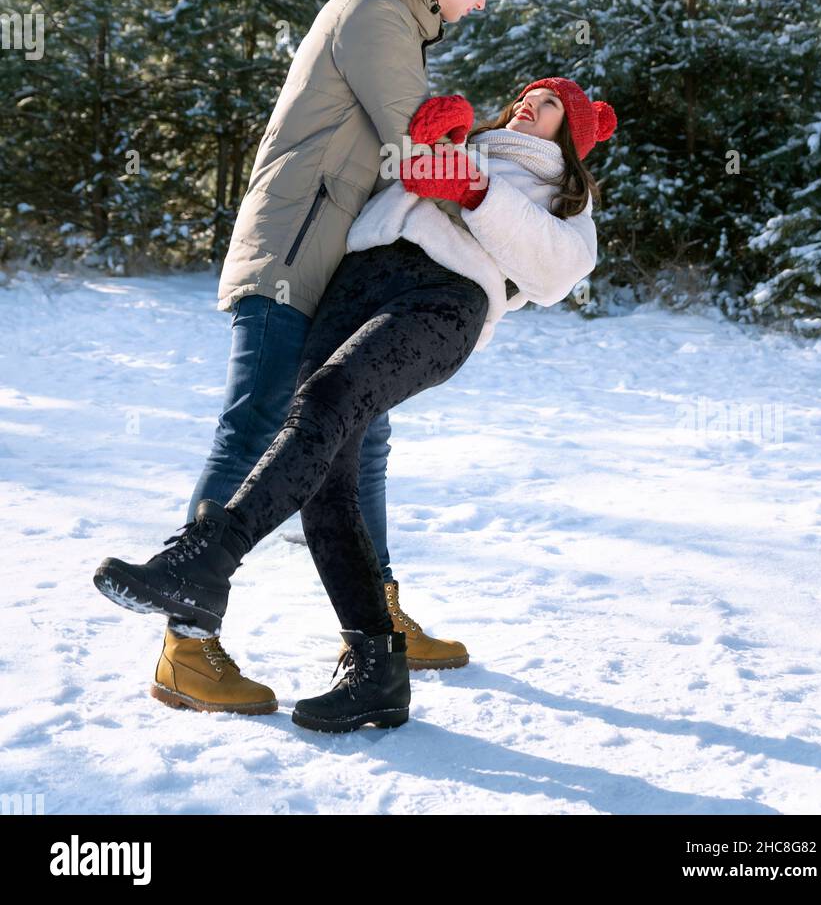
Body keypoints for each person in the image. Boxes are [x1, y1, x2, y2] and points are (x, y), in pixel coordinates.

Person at [94, 77, 617, 732]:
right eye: (524, 96)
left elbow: (556, 270)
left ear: (571, 134)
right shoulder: (469, 144)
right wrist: (430, 148)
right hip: (358, 284)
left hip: (441, 300)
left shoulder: (561, 195)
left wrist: (476, 189)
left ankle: (204, 559)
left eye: (545, 106)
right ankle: (376, 672)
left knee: (327, 399)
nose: (525, 106)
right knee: (327, 475)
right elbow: (389, 183)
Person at [141, 0, 510, 714]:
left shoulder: (394, 16)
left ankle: (373, 621)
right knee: (254, 432)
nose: (485, 1)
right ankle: (186, 645)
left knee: (363, 434)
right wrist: (516, 209)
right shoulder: (378, 13)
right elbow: (418, 152)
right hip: (292, 258)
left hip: (332, 264)